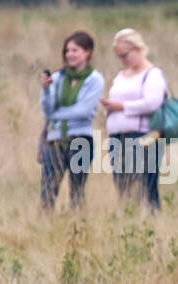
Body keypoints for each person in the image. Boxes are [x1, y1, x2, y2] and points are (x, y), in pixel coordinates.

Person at [100, 28, 167, 211]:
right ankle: (129, 223)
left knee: (146, 187)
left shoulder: (152, 74)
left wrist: (121, 107)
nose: (122, 60)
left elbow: (152, 103)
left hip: (144, 136)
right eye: (118, 56)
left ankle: (152, 225)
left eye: (125, 55)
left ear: (137, 49)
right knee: (124, 187)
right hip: (117, 137)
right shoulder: (121, 76)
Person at [38, 31, 103, 211]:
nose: (70, 54)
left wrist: (55, 116)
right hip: (54, 139)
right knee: (48, 188)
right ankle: (44, 225)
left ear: (87, 52)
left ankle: (77, 227)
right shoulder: (58, 78)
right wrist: (45, 91)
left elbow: (84, 110)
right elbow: (47, 108)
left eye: (75, 50)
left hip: (80, 139)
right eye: (67, 51)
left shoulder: (95, 79)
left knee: (77, 188)